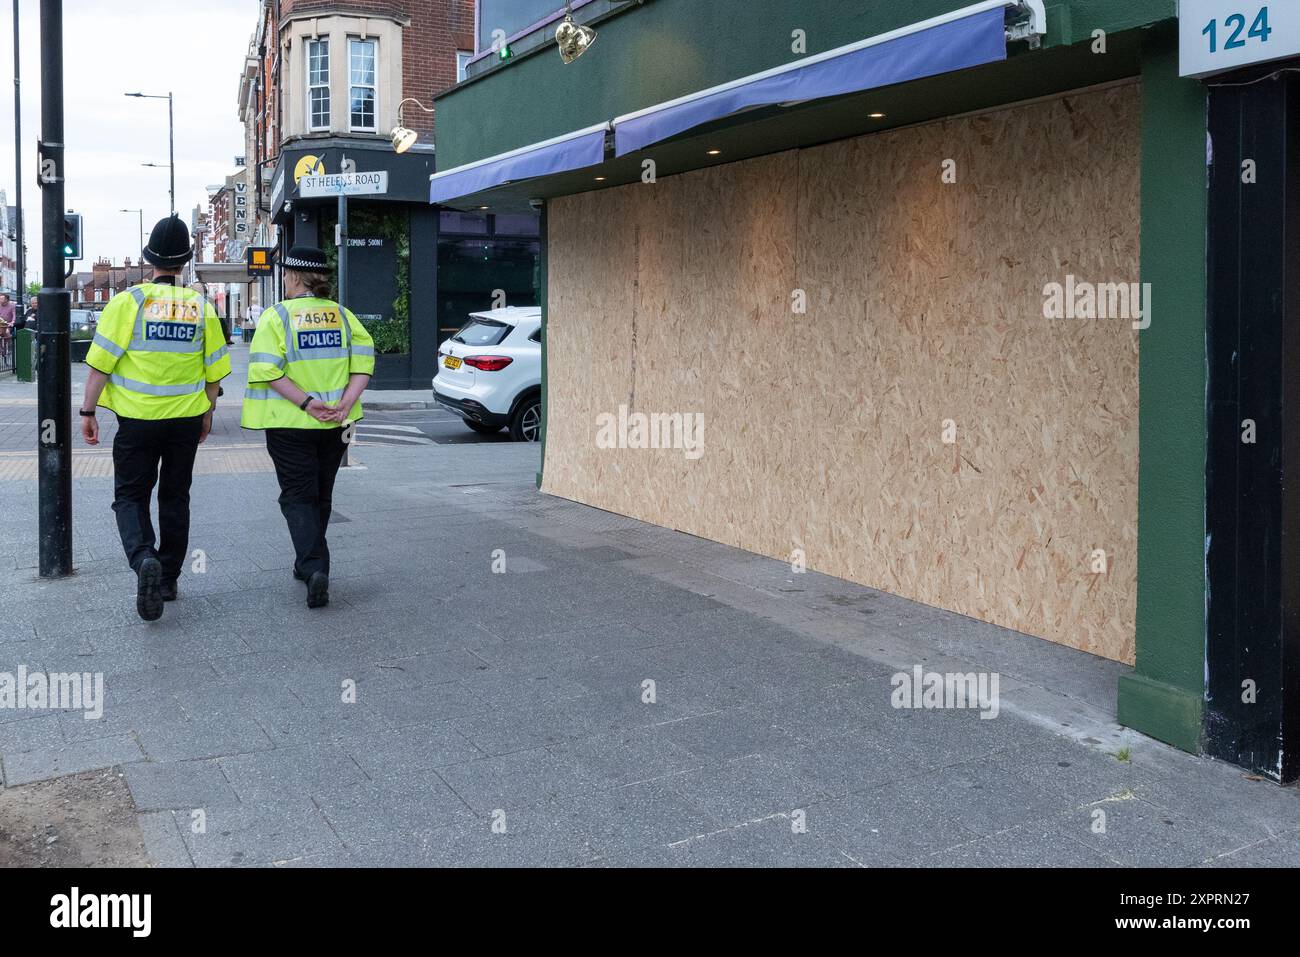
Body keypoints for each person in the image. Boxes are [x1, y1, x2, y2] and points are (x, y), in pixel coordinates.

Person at [79, 216, 232, 621]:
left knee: (130, 496)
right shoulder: (200, 306)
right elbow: (214, 372)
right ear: (186, 261)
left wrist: (88, 411)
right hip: (184, 420)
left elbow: (100, 366)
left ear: (149, 258)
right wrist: (207, 414)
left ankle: (143, 556)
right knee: (175, 497)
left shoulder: (128, 302)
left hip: (137, 422)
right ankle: (166, 578)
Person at [241, 246, 374, 608]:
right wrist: (345, 402)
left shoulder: (277, 317)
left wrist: (305, 403)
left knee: (297, 496)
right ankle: (308, 564)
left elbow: (267, 370)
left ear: (296, 277)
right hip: (337, 423)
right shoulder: (343, 316)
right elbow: (363, 362)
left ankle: (315, 567)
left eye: (285, 274)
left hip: (291, 423)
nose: (283, 280)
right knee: (322, 493)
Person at [0, 293, 13, 364]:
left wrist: (11, 323)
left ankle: (9, 348)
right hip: (0, 325)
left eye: (2, 299)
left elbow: (14, 316)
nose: (0, 300)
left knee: (7, 332)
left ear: (6, 300)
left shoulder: (12, 306)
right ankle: (1, 350)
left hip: (8, 325)